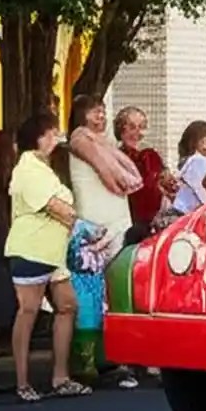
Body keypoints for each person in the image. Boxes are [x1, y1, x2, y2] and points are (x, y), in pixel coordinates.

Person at [6, 113, 94, 402]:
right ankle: (22, 382)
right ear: (38, 137)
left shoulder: (46, 169)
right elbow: (58, 207)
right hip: (31, 248)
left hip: (54, 251)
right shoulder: (28, 168)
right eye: (51, 134)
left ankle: (60, 377)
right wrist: (80, 223)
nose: (56, 139)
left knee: (67, 305)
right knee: (28, 311)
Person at [65, 95, 141, 386]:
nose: (101, 117)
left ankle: (110, 354)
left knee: (111, 292)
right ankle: (86, 360)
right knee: (91, 294)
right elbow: (110, 175)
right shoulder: (80, 138)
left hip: (114, 222)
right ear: (82, 115)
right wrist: (124, 179)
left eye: (103, 112)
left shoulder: (102, 139)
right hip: (93, 226)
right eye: (95, 112)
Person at [115, 106, 176, 242]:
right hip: (126, 218)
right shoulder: (116, 156)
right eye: (132, 127)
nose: (138, 132)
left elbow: (168, 186)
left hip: (152, 221)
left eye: (142, 127)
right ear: (121, 129)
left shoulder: (151, 155)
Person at [172, 121, 206, 215]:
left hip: (185, 213)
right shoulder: (198, 161)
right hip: (184, 215)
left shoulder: (190, 161)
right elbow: (203, 193)